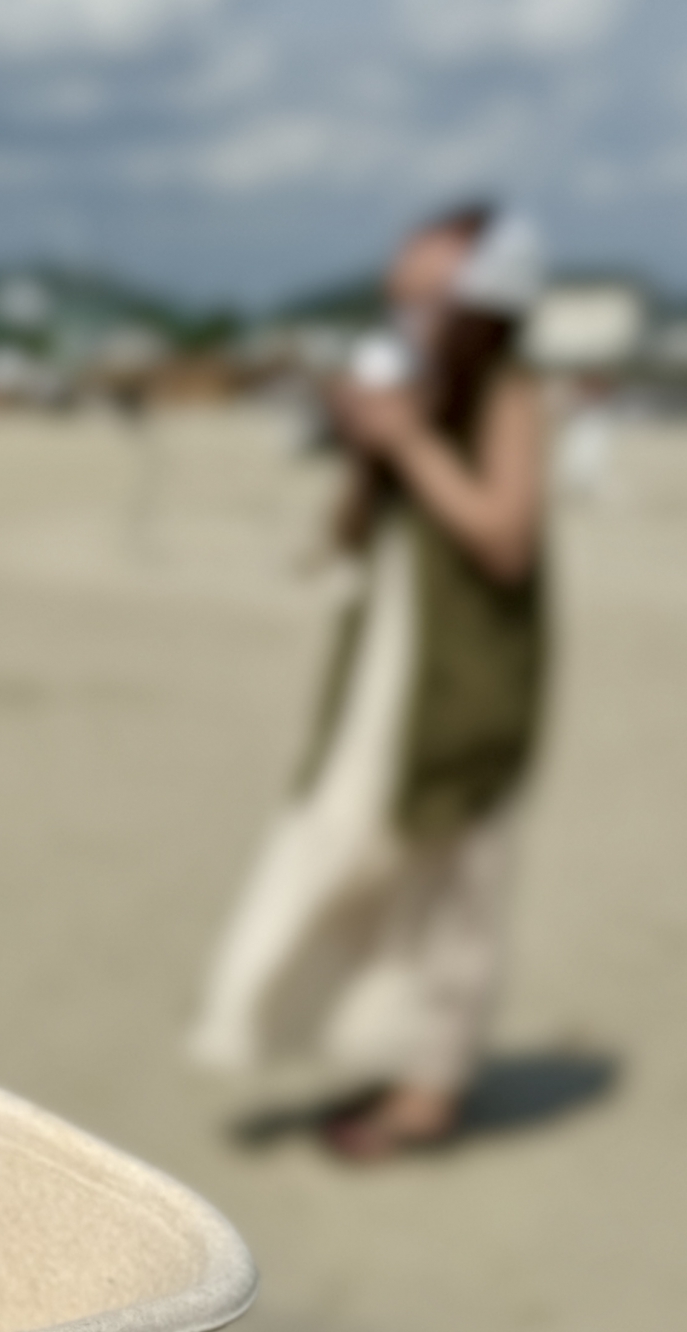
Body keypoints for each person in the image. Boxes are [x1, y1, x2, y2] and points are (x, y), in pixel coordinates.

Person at [188, 203, 552, 1160]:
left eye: (431, 299)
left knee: (455, 878)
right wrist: (365, 447)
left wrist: (406, 442)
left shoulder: (507, 395)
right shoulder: (424, 392)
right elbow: (347, 537)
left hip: (463, 679)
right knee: (354, 852)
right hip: (386, 670)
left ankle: (428, 1089)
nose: (412, 319)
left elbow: (504, 540)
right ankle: (383, 1055)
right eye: (402, 300)